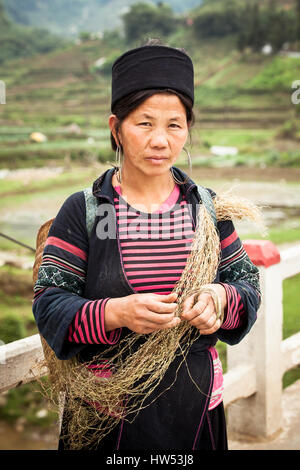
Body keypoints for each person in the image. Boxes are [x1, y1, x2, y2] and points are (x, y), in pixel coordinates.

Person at [32, 41, 261, 451]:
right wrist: (116, 312)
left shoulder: (207, 208)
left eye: (174, 124)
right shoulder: (85, 210)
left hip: (196, 414)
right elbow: (49, 304)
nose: (160, 140)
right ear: (115, 127)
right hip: (106, 419)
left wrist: (220, 299)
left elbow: (246, 284)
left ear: (188, 128)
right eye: (144, 123)